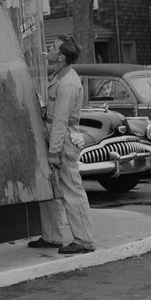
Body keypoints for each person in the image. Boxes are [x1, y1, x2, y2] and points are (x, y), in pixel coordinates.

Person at [27, 35, 96, 255]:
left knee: (71, 190)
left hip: (63, 142)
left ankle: (84, 239)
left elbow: (60, 122)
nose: (49, 48)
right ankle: (52, 235)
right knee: (52, 188)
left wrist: (54, 152)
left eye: (54, 47)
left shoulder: (67, 83)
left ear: (63, 56)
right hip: (56, 140)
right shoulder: (60, 75)